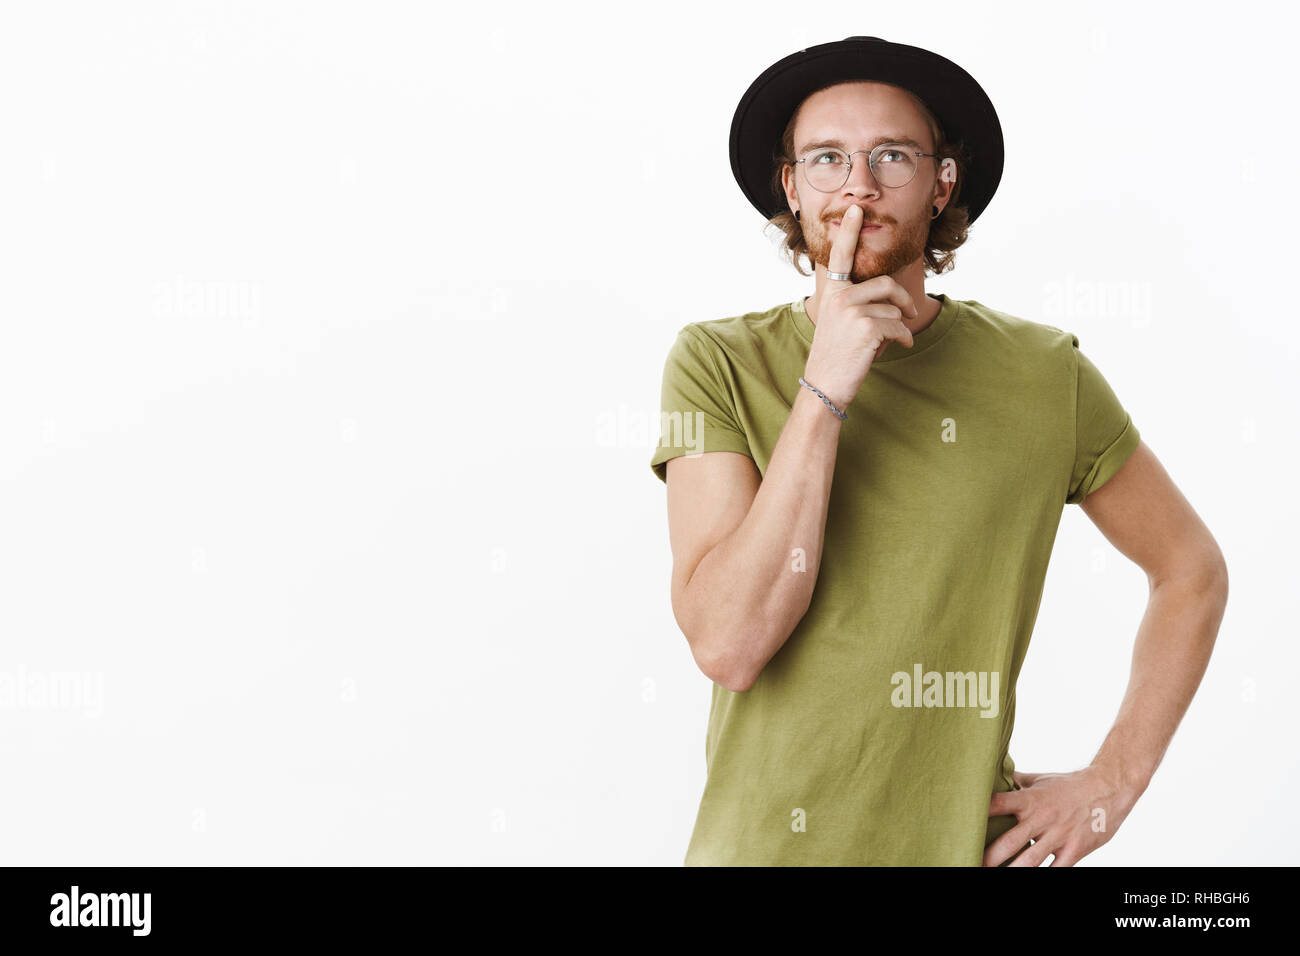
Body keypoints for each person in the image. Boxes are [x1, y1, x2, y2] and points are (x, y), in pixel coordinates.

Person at [648, 36, 1228, 866]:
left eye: (891, 154)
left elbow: (1191, 570)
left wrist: (1113, 783)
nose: (858, 184)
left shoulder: (1043, 373)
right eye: (826, 158)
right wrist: (824, 390)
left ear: (942, 180)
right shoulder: (716, 363)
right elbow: (729, 646)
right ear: (790, 185)